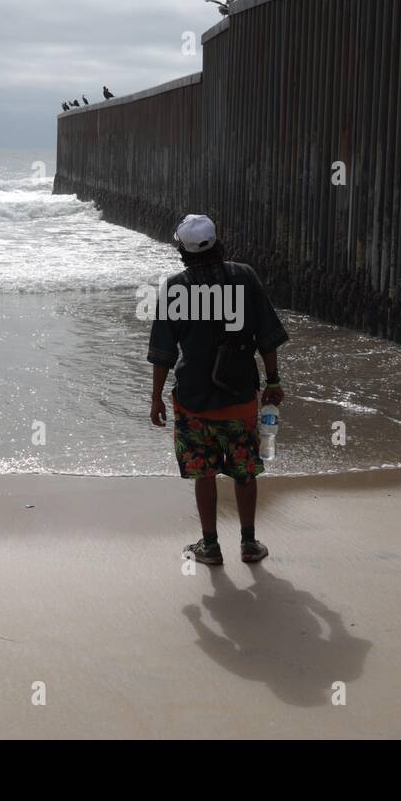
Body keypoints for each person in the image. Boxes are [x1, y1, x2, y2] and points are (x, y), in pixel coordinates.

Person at [148, 214, 288, 565]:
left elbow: (164, 352)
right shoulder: (244, 277)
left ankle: (209, 547)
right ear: (217, 242)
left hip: (194, 399)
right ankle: (249, 544)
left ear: (183, 250)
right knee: (245, 472)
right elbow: (266, 337)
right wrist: (273, 381)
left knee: (204, 472)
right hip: (239, 397)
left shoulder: (176, 289)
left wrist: (155, 397)